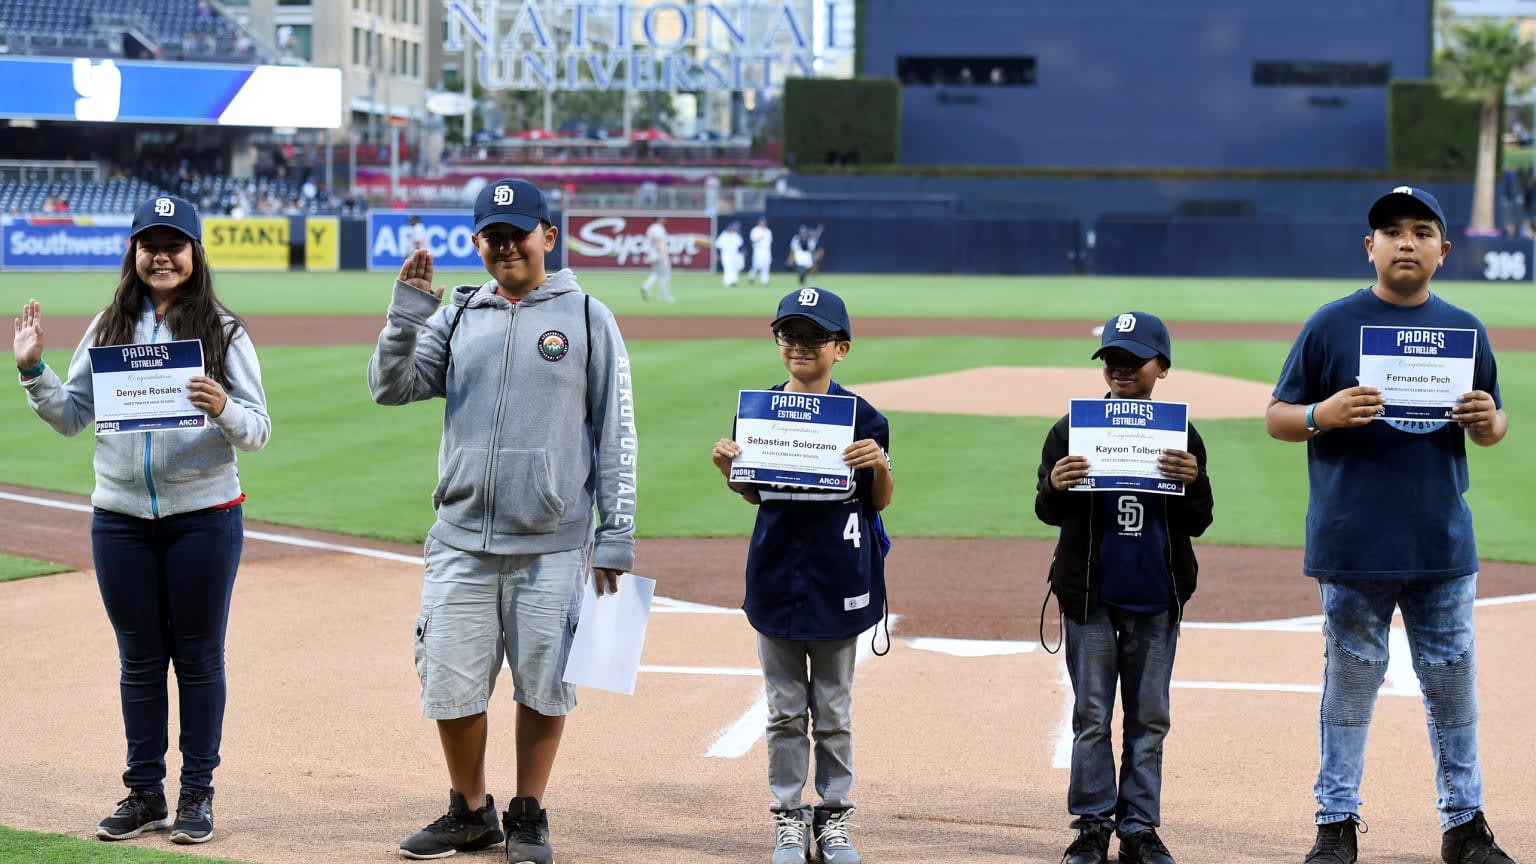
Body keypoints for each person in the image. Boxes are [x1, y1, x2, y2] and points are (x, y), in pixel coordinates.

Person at [369, 177, 637, 863]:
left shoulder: (586, 317)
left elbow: (617, 431)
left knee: (546, 685)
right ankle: (468, 811)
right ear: (477, 241)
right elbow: (390, 387)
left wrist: (617, 533)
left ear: (549, 236)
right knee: (450, 681)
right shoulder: (457, 315)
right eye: (492, 234)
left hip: (552, 541)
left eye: (519, 231)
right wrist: (406, 313)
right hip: (461, 537)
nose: (506, 244)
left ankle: (528, 813)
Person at [13, 194, 271, 845]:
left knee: (199, 658)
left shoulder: (224, 330)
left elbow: (258, 431)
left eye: (174, 243)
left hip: (204, 517)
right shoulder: (108, 325)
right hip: (121, 518)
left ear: (193, 254)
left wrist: (224, 408)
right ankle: (144, 792)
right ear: (134, 253)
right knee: (138, 659)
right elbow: (73, 415)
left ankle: (197, 794)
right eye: (150, 244)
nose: (162, 255)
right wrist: (31, 370)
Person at [1266, 187, 1512, 864]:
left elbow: (1495, 425)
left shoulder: (1465, 329)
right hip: (1354, 540)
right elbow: (1277, 415)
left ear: (1443, 249)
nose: (1406, 241)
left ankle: (1464, 828)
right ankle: (1335, 823)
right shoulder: (1331, 323)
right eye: (1391, 231)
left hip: (1440, 541)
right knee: (1349, 689)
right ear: (1368, 246)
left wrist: (1487, 420)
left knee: (1452, 690)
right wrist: (1324, 414)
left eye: (1421, 230)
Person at [710, 287, 894, 864]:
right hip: (777, 571)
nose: (800, 346)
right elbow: (754, 494)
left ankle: (834, 815)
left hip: (839, 572)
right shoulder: (757, 411)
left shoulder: (864, 417)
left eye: (815, 337)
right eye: (789, 335)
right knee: (784, 708)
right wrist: (729, 471)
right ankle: (789, 816)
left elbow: (879, 502)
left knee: (833, 708)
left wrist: (881, 466)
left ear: (841, 348)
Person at [1035, 312, 1212, 864]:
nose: (1120, 367)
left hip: (1155, 593)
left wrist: (1193, 481)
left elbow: (1199, 520)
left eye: (1134, 359)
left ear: (1163, 367)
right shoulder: (1070, 428)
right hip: (1090, 593)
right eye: (1112, 357)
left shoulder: (1182, 435)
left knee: (1149, 717)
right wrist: (1055, 484)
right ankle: (1091, 825)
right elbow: (1046, 509)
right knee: (1091, 713)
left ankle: (1138, 827)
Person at [641, 215, 672, 302]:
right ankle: (664, 296)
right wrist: (664, 255)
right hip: (658, 254)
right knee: (665, 275)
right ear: (659, 219)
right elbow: (659, 242)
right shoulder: (658, 228)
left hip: (652, 255)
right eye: (662, 218)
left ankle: (646, 286)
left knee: (657, 273)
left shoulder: (651, 228)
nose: (664, 219)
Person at [715, 220, 745, 287]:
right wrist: (717, 255)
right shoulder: (723, 235)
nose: (733, 229)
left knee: (734, 268)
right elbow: (717, 246)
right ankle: (727, 282)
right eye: (731, 228)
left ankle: (733, 281)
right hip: (725, 255)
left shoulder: (735, 235)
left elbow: (740, 245)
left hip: (734, 254)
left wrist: (741, 254)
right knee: (727, 268)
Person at [749, 217, 774, 285]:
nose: (763, 224)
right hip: (758, 251)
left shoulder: (768, 231)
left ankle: (764, 281)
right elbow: (753, 241)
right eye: (761, 223)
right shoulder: (755, 230)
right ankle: (751, 277)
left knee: (766, 266)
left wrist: (770, 254)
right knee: (756, 266)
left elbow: (769, 243)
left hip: (766, 251)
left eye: (764, 223)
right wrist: (759, 237)